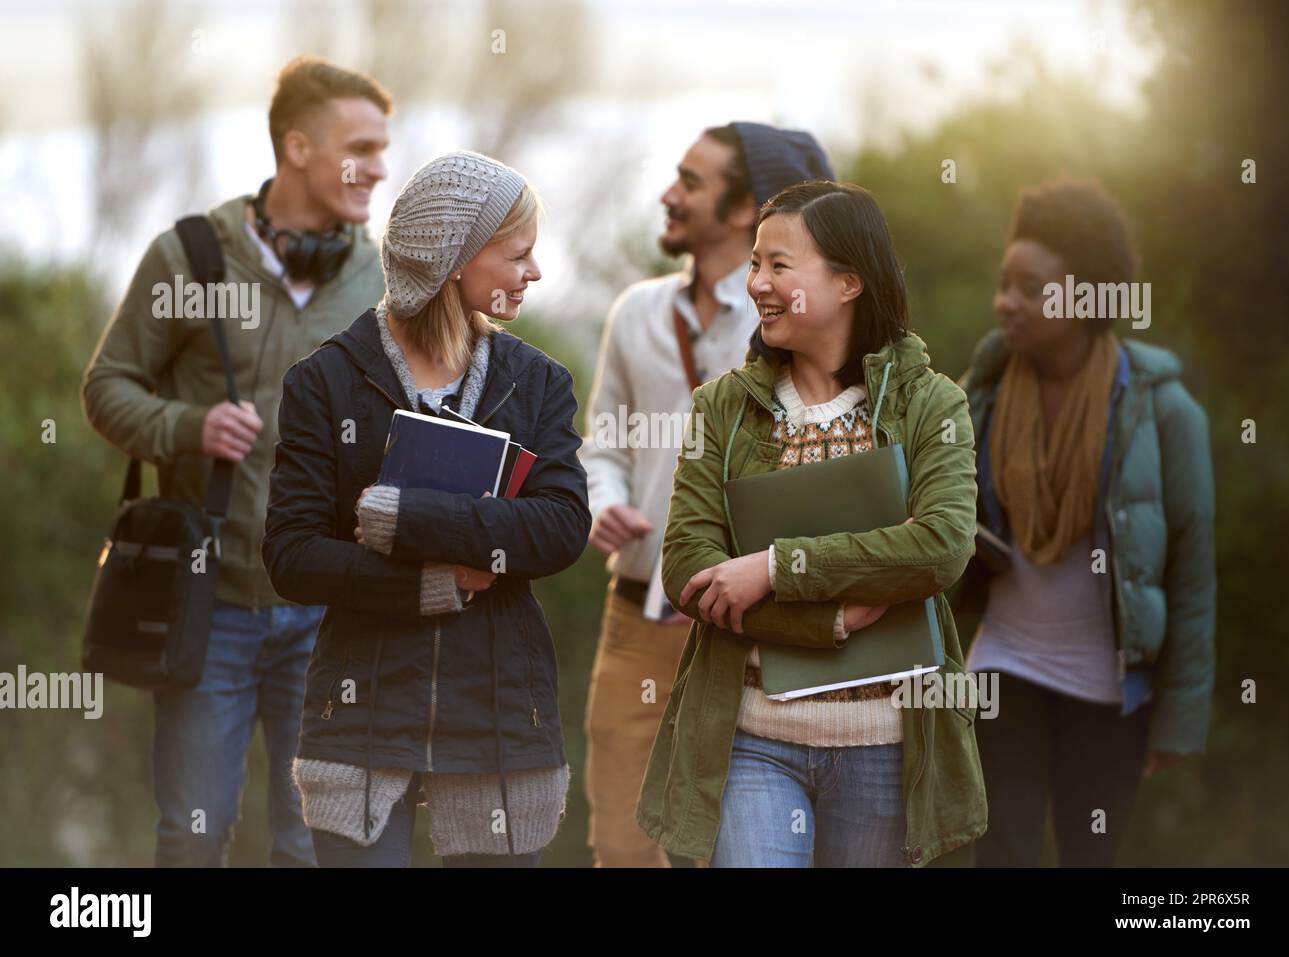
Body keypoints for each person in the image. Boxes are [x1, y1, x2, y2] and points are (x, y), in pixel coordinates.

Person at [81, 55, 392, 867]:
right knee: (190, 836)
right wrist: (186, 425)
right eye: (361, 147)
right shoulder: (190, 257)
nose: (381, 169)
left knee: (311, 842)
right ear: (298, 148)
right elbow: (106, 387)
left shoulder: (382, 277)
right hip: (206, 605)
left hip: (329, 612)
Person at [636, 180, 987, 867]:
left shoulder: (932, 402)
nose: (756, 282)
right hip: (750, 740)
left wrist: (770, 567)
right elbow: (688, 567)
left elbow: (941, 547)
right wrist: (825, 622)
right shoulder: (722, 408)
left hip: (888, 748)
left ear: (848, 282)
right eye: (755, 263)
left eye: (778, 265)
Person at [262, 151, 591, 867]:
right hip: (360, 721)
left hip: (499, 720)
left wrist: (404, 518)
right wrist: (428, 584)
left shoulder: (537, 383)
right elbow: (290, 554)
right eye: (519, 254)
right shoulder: (324, 383)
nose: (534, 273)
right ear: (455, 260)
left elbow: (562, 526)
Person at [580, 122, 835, 867]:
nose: (668, 195)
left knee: (740, 846)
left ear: (745, 206)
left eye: (690, 182)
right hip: (636, 614)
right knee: (622, 846)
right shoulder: (635, 312)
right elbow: (602, 444)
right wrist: (604, 500)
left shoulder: (793, 324)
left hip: (754, 623)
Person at [954, 176, 1215, 867]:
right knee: (1001, 850)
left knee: (1089, 853)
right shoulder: (981, 391)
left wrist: (1180, 716)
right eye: (1004, 282)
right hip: (1003, 662)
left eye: (1030, 288)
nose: (1005, 303)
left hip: (1107, 686)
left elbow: (1191, 570)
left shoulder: (1165, 412)